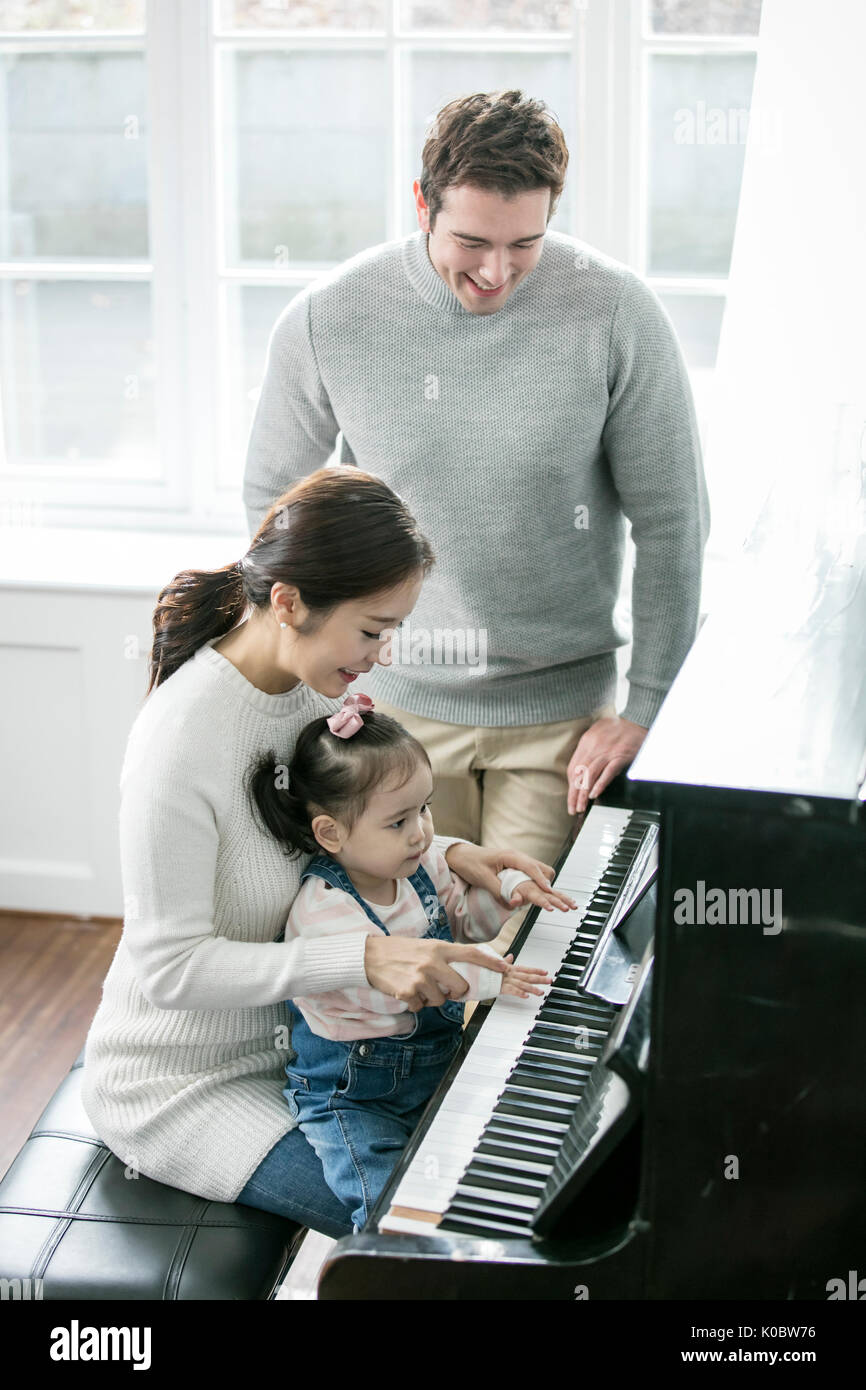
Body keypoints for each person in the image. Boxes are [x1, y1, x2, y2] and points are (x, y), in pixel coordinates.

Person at [242, 88, 710, 872]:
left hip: (559, 722)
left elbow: (674, 519)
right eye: (471, 242)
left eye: (525, 243)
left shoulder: (615, 311)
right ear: (422, 203)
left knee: (525, 939)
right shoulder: (332, 318)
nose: (497, 271)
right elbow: (272, 500)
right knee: (417, 940)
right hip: (390, 715)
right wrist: (321, 664)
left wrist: (648, 706)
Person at [81, 466, 555, 1239]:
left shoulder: (313, 693)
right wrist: (361, 959)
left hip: (318, 1055)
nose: (384, 654)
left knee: (513, 1181)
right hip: (188, 1088)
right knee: (437, 1229)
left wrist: (453, 853)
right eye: (372, 631)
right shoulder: (179, 742)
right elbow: (170, 970)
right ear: (290, 602)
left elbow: (339, 832)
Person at [247, 692, 574, 1231]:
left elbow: (461, 922)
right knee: (387, 1206)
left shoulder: (419, 868)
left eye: (424, 808)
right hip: (352, 1098)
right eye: (398, 822)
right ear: (331, 832)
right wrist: (491, 978)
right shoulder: (324, 910)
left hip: (433, 1066)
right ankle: (392, 1263)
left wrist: (504, 896)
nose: (421, 832)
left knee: (482, 1158)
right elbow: (409, 987)